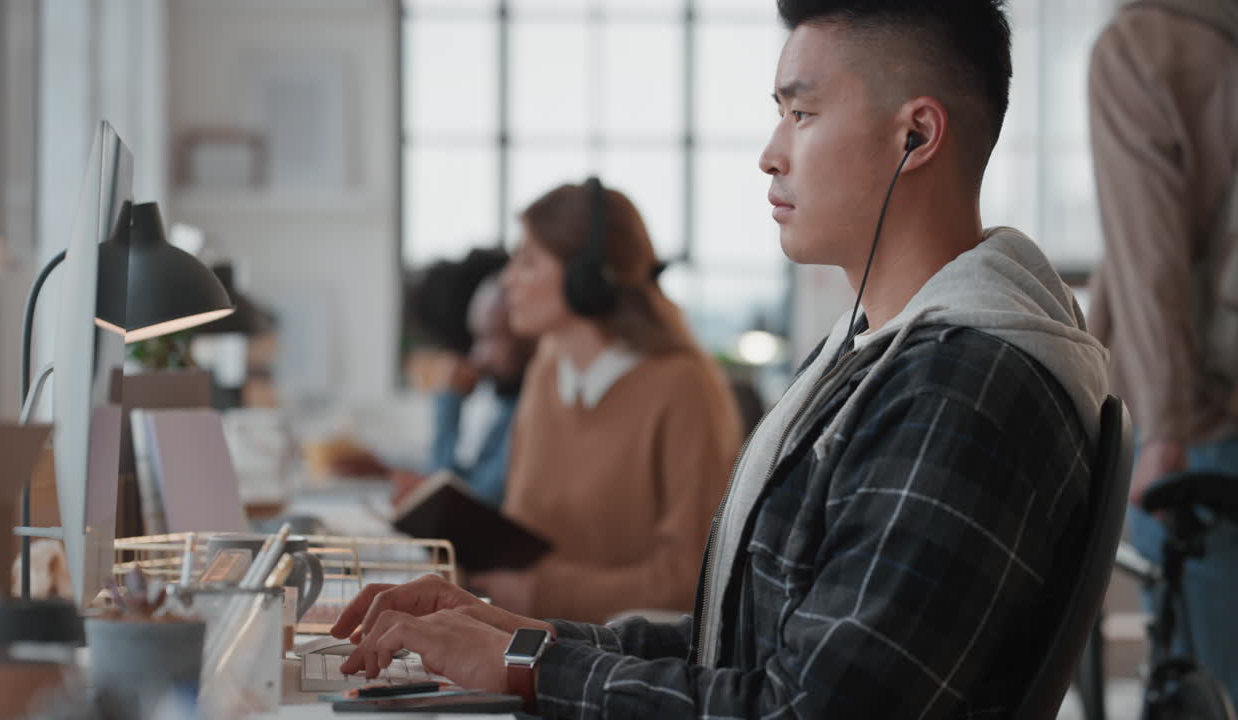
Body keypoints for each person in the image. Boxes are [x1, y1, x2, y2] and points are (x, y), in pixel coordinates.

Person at [329, 0, 1111, 716]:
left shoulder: (960, 388)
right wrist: (509, 634)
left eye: (802, 114)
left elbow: (803, 709)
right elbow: (734, 651)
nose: (771, 155)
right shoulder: (869, 357)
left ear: (917, 135)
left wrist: (529, 666)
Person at [467, 179, 743, 623]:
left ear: (587, 280)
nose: (508, 278)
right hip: (530, 641)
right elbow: (527, 534)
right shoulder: (546, 371)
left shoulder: (684, 388)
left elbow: (692, 576)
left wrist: (542, 593)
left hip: (624, 664)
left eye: (529, 260)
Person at [1086, 0, 1238, 703]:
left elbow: (1152, 262)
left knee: (1205, 685)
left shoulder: (1142, 49)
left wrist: (1166, 434)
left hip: (1202, 428)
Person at [335, 249, 533, 507]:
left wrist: (448, 402)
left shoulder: (525, 412)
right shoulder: (506, 406)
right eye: (475, 339)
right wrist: (387, 469)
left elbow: (454, 504)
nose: (477, 356)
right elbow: (460, 485)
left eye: (490, 337)